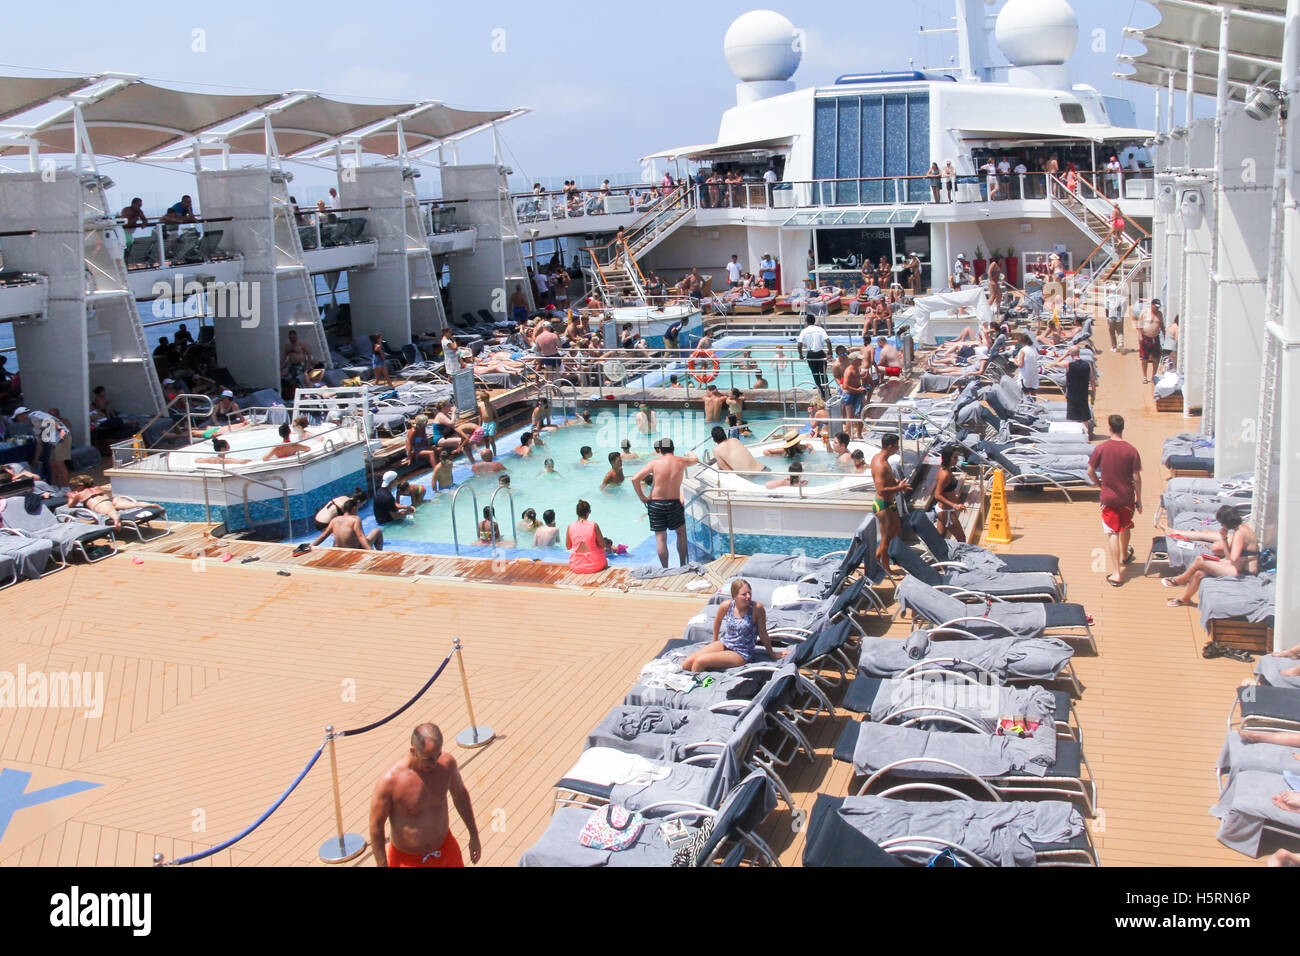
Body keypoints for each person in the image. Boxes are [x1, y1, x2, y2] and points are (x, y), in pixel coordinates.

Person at [369, 723, 480, 867]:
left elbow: (460, 796)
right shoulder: (390, 781)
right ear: (413, 751)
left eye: (437, 755)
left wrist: (474, 835)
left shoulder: (446, 766)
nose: (434, 763)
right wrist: (382, 864)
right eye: (428, 759)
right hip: (408, 860)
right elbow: (376, 826)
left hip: (445, 851)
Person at [1159, 506, 1260, 607]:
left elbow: (1232, 558)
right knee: (1199, 573)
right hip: (1237, 566)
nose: (1220, 525)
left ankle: (1180, 580)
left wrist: (1224, 539)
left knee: (1200, 560)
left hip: (1244, 573)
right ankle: (1185, 598)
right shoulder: (1242, 528)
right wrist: (1224, 539)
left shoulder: (1240, 533)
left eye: (1221, 523)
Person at [682, 579, 785, 672]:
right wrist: (715, 641)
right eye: (744, 594)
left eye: (749, 593)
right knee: (686, 664)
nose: (748, 596)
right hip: (726, 642)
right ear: (735, 596)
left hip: (742, 652)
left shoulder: (757, 609)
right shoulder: (727, 606)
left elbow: (763, 633)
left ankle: (696, 687)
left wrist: (772, 653)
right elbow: (717, 622)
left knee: (700, 661)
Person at [1087, 414, 1142, 587]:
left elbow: (1090, 471)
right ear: (1122, 428)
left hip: (1108, 497)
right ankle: (1125, 554)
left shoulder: (1101, 449)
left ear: (1109, 428)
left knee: (1112, 532)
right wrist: (1139, 499)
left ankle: (1117, 573)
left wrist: (1099, 484)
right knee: (1125, 525)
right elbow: (1137, 478)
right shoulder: (1131, 450)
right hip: (1127, 497)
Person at [630, 438, 697, 568]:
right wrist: (689, 452)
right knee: (681, 533)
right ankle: (683, 564)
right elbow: (695, 459)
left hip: (655, 504)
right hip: (673, 503)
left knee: (660, 538)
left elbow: (634, 479)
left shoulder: (654, 462)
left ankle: (665, 569)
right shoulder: (681, 461)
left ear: (660, 450)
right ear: (673, 448)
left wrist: (642, 497)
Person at [870, 434, 911, 572]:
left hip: (889, 503)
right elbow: (881, 490)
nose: (898, 448)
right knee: (886, 539)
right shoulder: (881, 465)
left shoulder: (880, 458)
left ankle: (875, 561)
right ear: (890, 446)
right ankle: (886, 569)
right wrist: (899, 488)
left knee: (896, 531)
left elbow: (887, 481)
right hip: (882, 505)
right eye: (897, 446)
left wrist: (896, 483)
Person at [65, 476, 162, 530]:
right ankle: (152, 505)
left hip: (100, 504)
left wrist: (70, 496)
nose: (74, 489)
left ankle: (116, 522)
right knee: (133, 504)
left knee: (112, 513)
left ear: (79, 486)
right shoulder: (97, 488)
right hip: (112, 500)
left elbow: (70, 505)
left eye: (74, 487)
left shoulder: (79, 494)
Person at [311, 495, 383, 550]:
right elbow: (361, 537)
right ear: (354, 508)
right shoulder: (355, 519)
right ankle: (380, 554)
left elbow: (323, 536)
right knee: (377, 531)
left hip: (338, 549)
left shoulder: (334, 520)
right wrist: (371, 551)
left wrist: (311, 546)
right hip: (354, 550)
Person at [931, 445, 967, 542]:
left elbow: (949, 491)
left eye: (957, 457)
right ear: (948, 458)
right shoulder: (945, 474)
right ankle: (961, 557)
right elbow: (937, 495)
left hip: (945, 509)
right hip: (946, 511)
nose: (957, 459)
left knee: (940, 538)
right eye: (954, 457)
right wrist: (954, 505)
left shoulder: (947, 470)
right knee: (961, 539)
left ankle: (935, 555)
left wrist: (957, 502)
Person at [566, 498, 608, 574]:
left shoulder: (570, 526)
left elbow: (568, 546)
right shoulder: (594, 525)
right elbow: (602, 545)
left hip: (576, 565)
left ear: (577, 512)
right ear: (588, 512)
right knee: (604, 556)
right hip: (594, 565)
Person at [797, 315, 830, 399]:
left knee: (815, 374)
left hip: (811, 354)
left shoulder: (804, 331)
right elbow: (828, 341)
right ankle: (827, 391)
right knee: (823, 373)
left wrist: (800, 355)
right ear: (814, 321)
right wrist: (830, 352)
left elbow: (799, 344)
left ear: (806, 322)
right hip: (820, 354)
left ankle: (821, 393)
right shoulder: (820, 329)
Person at [1136, 299, 1164, 384]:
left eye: (1158, 307)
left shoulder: (1159, 314)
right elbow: (1139, 324)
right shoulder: (1145, 312)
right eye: (1155, 306)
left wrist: (1164, 333)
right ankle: (1144, 376)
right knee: (1145, 358)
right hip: (1146, 337)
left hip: (1155, 337)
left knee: (1156, 357)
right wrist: (1140, 335)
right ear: (1152, 305)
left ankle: (1154, 375)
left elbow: (1161, 324)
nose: (1156, 308)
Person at [840, 354, 867, 438]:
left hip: (857, 394)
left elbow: (856, 380)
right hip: (849, 395)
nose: (861, 361)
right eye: (859, 360)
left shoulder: (857, 369)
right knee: (850, 417)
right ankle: (849, 435)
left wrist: (861, 383)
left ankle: (859, 434)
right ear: (854, 360)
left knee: (860, 415)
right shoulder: (849, 370)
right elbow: (845, 385)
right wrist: (857, 390)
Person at [1013, 331, 1039, 397]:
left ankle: (1028, 406)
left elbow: (1020, 364)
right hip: (1034, 375)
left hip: (1025, 375)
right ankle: (1034, 406)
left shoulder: (1023, 350)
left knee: (1025, 395)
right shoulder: (1034, 348)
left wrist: (1015, 361)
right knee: (1033, 394)